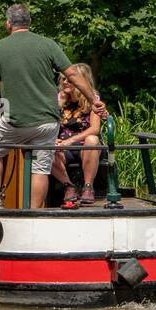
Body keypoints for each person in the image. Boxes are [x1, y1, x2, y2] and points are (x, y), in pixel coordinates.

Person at [0, 4, 107, 208]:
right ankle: (34, 213)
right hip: (47, 123)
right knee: (41, 168)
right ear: (29, 22)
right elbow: (72, 74)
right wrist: (94, 100)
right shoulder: (48, 44)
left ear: (8, 24)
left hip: (15, 122)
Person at [51, 64, 102, 207]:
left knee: (92, 139)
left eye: (69, 80)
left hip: (84, 144)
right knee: (47, 145)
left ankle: (87, 187)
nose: (65, 82)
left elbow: (95, 129)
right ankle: (69, 186)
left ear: (82, 81)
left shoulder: (93, 97)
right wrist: (53, 138)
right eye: (63, 79)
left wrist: (71, 140)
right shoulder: (59, 98)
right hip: (63, 145)